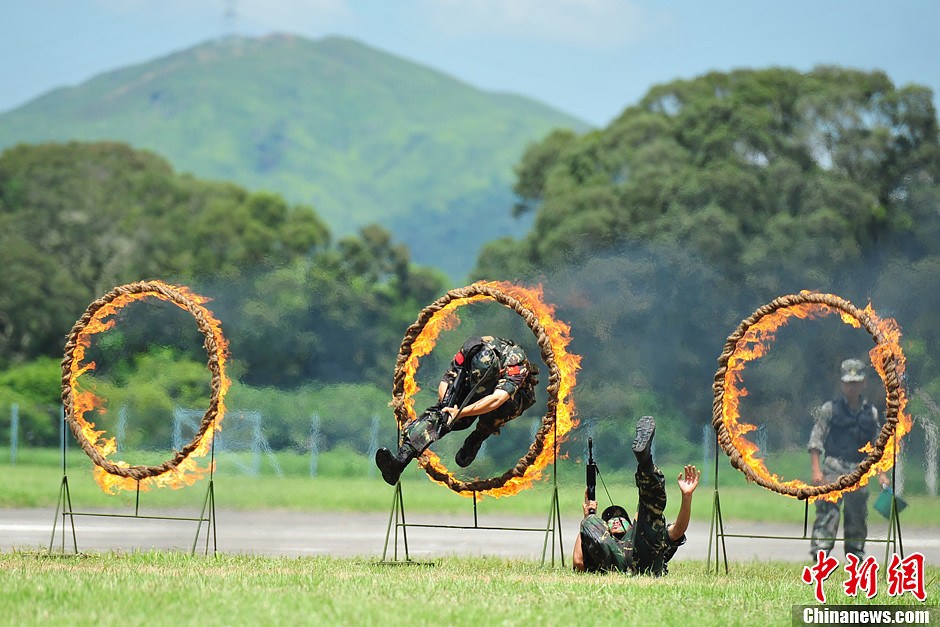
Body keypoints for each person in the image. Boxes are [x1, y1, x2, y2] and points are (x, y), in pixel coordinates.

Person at [375, 335, 537, 486]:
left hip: (511, 397)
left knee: (502, 409)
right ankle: (400, 461)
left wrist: (461, 411)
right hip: (470, 384)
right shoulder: (470, 349)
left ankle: (479, 436)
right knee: (443, 416)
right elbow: (447, 380)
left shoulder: (516, 363)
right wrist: (446, 407)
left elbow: (497, 399)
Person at [573, 415, 701, 575]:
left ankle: (645, 462)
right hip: (614, 561)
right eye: (611, 519)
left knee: (649, 509)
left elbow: (677, 531)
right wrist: (588, 517)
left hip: (644, 555)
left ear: (631, 525)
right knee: (589, 523)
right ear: (605, 529)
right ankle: (645, 463)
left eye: (620, 519)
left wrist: (687, 497)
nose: (616, 521)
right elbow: (579, 561)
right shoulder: (603, 550)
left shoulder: (642, 537)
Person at [808, 358, 888, 559]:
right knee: (827, 516)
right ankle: (821, 559)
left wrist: (881, 474)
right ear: (842, 384)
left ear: (863, 383)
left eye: (856, 383)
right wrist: (817, 471)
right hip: (833, 470)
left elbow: (877, 448)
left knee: (857, 519)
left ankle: (855, 558)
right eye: (848, 383)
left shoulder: (871, 413)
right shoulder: (830, 409)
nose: (852, 387)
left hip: (859, 473)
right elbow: (816, 440)